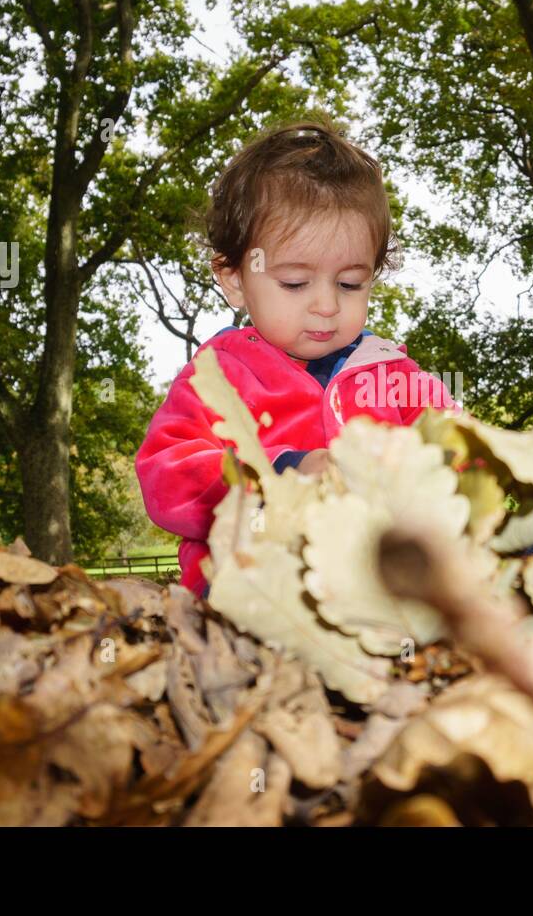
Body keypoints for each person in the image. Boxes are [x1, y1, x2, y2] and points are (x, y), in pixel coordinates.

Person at [135, 120, 462, 599]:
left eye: (350, 283)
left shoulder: (392, 375)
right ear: (233, 279)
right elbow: (168, 474)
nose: (327, 305)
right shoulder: (218, 376)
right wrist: (280, 474)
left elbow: (457, 443)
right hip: (246, 591)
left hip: (375, 594)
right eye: (294, 283)